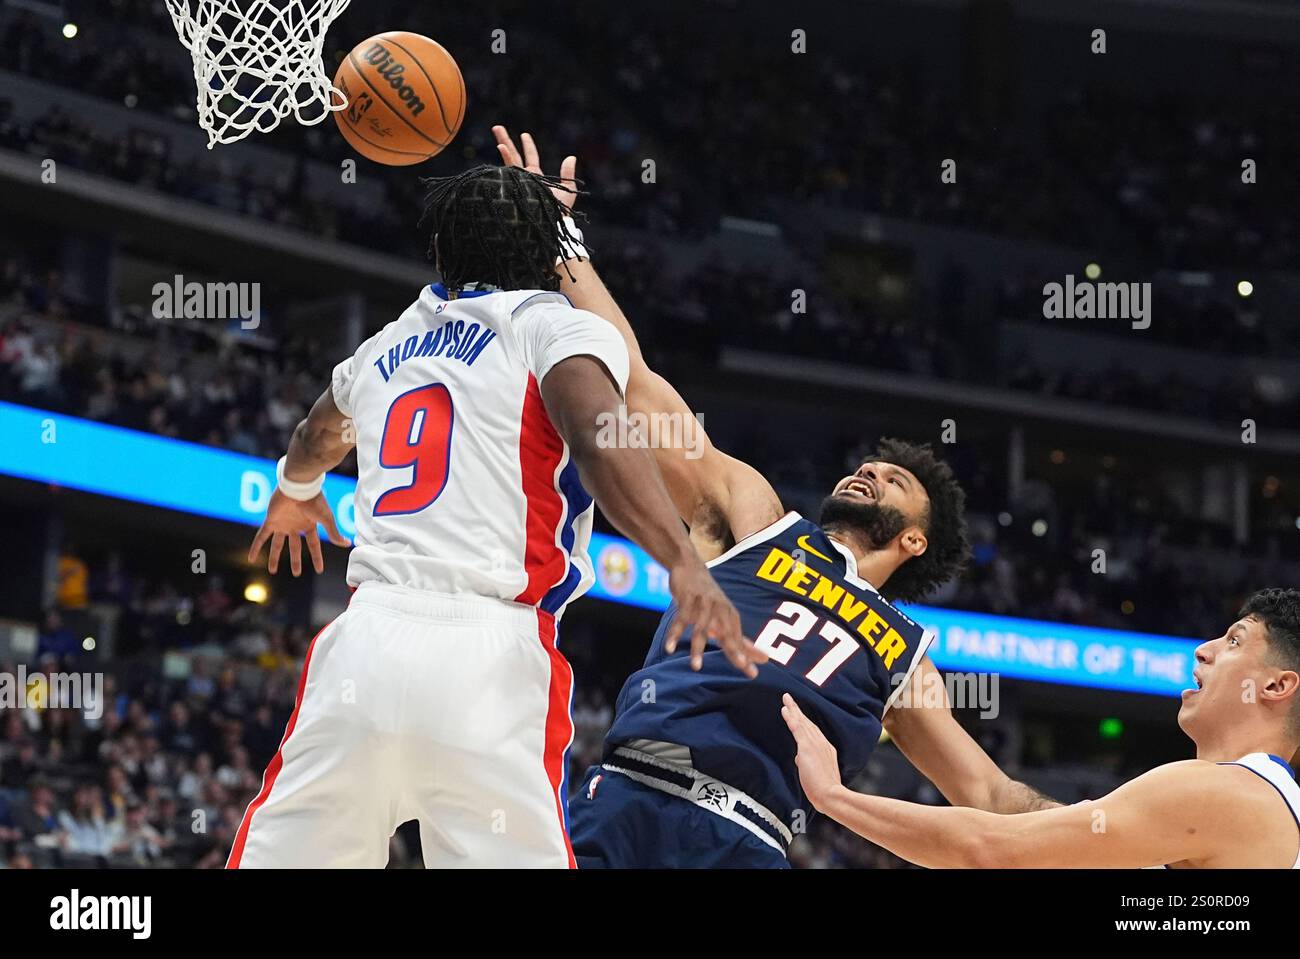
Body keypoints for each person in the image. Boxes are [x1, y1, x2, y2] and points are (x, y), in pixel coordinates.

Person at [493, 127, 1057, 869]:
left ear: (914, 539)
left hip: (749, 839)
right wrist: (559, 239)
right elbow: (632, 378)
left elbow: (987, 791)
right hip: (634, 792)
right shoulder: (759, 516)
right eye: (869, 464)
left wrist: (1117, 832)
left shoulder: (905, 654)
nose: (869, 472)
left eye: (895, 480)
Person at [230, 163, 760, 869]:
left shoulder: (386, 345)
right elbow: (601, 435)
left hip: (368, 639)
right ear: (547, 259)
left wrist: (296, 489)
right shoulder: (548, 326)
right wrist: (681, 559)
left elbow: (316, 435)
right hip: (491, 653)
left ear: (441, 253)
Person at [782, 588, 1300, 868]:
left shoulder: (1222, 792)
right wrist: (911, 689)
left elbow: (989, 851)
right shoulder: (1242, 808)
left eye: (1234, 641)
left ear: (1278, 687)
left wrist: (833, 798)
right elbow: (1001, 804)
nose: (1203, 648)